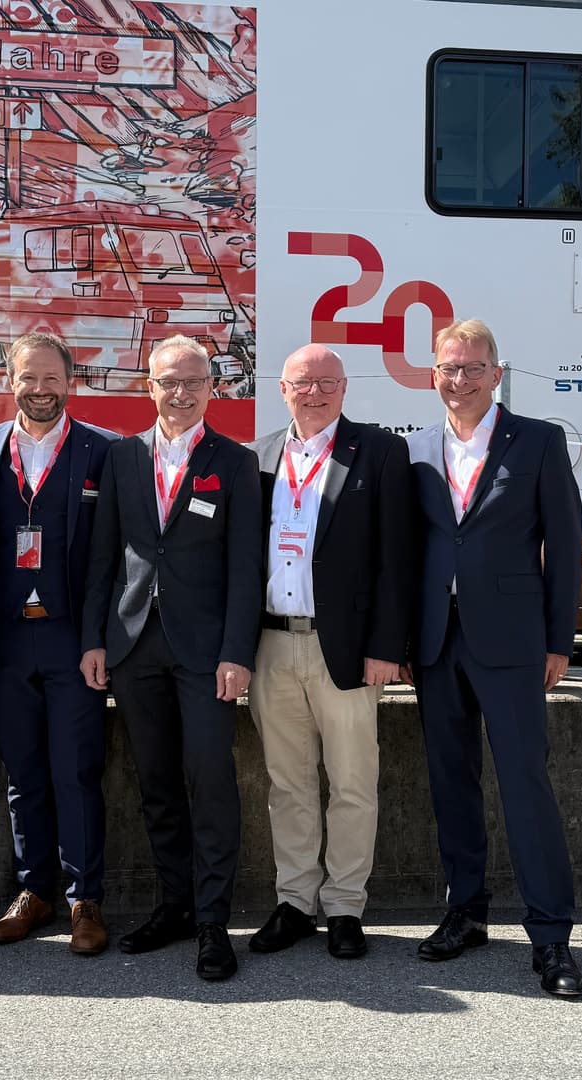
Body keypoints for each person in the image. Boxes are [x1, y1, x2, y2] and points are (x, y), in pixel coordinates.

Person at [405, 319, 582, 999]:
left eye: (474, 368)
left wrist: (559, 641)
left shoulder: (538, 441)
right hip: (435, 643)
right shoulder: (417, 449)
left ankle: (551, 936)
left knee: (524, 785)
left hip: (512, 642)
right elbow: (407, 552)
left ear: (497, 373)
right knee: (451, 784)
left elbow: (565, 547)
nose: (461, 380)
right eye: (450, 368)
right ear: (434, 375)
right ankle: (466, 912)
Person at [80, 335, 261, 981]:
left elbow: (246, 569)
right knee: (155, 784)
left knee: (210, 782)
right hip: (133, 645)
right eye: (167, 382)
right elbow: (104, 556)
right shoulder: (121, 457)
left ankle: (214, 922)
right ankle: (175, 905)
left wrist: (237, 652)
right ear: (148, 387)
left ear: (213, 388)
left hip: (207, 652)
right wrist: (94, 639)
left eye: (192, 382)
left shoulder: (234, 463)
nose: (179, 394)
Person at [245, 344, 413, 960]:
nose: (314, 393)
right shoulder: (257, 458)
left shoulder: (379, 451)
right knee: (286, 783)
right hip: (271, 643)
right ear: (282, 389)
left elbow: (397, 561)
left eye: (326, 383)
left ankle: (345, 905)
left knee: (352, 783)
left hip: (345, 648)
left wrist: (386, 649)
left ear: (344, 389)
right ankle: (294, 901)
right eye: (302, 383)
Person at [0, 333, 117, 955]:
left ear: (71, 380)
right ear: (10, 382)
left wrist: (98, 638)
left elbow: (113, 559)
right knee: (24, 772)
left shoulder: (102, 454)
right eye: (28, 378)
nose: (40, 389)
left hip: (72, 642)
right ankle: (33, 891)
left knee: (76, 769)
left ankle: (85, 898)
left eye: (51, 378)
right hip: (7, 640)